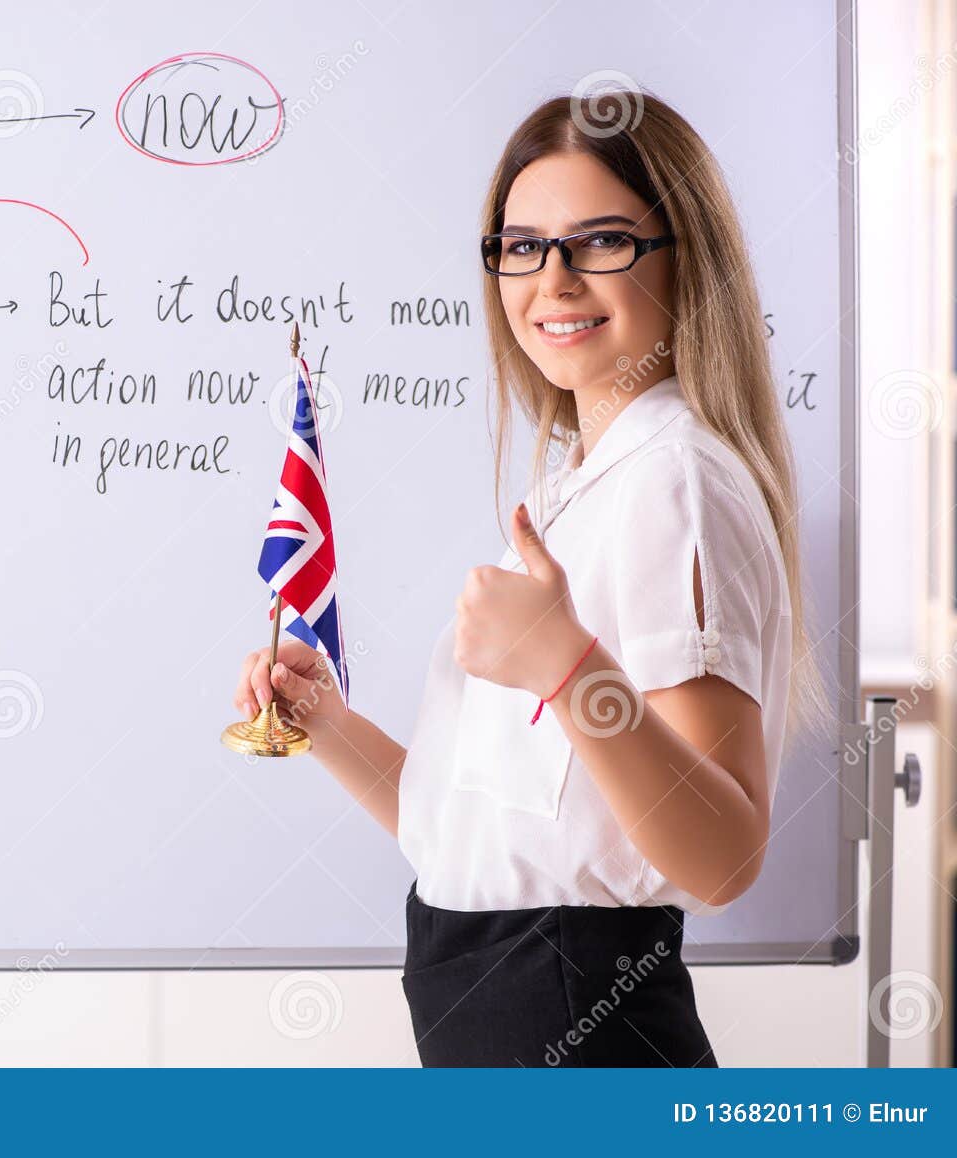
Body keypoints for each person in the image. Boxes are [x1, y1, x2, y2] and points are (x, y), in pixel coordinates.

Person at [231, 91, 827, 1067]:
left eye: (598, 242)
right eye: (520, 246)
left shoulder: (673, 482)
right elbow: (476, 842)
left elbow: (723, 854)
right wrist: (327, 724)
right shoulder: (574, 493)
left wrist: (563, 662)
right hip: (484, 1016)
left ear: (686, 259)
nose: (550, 280)